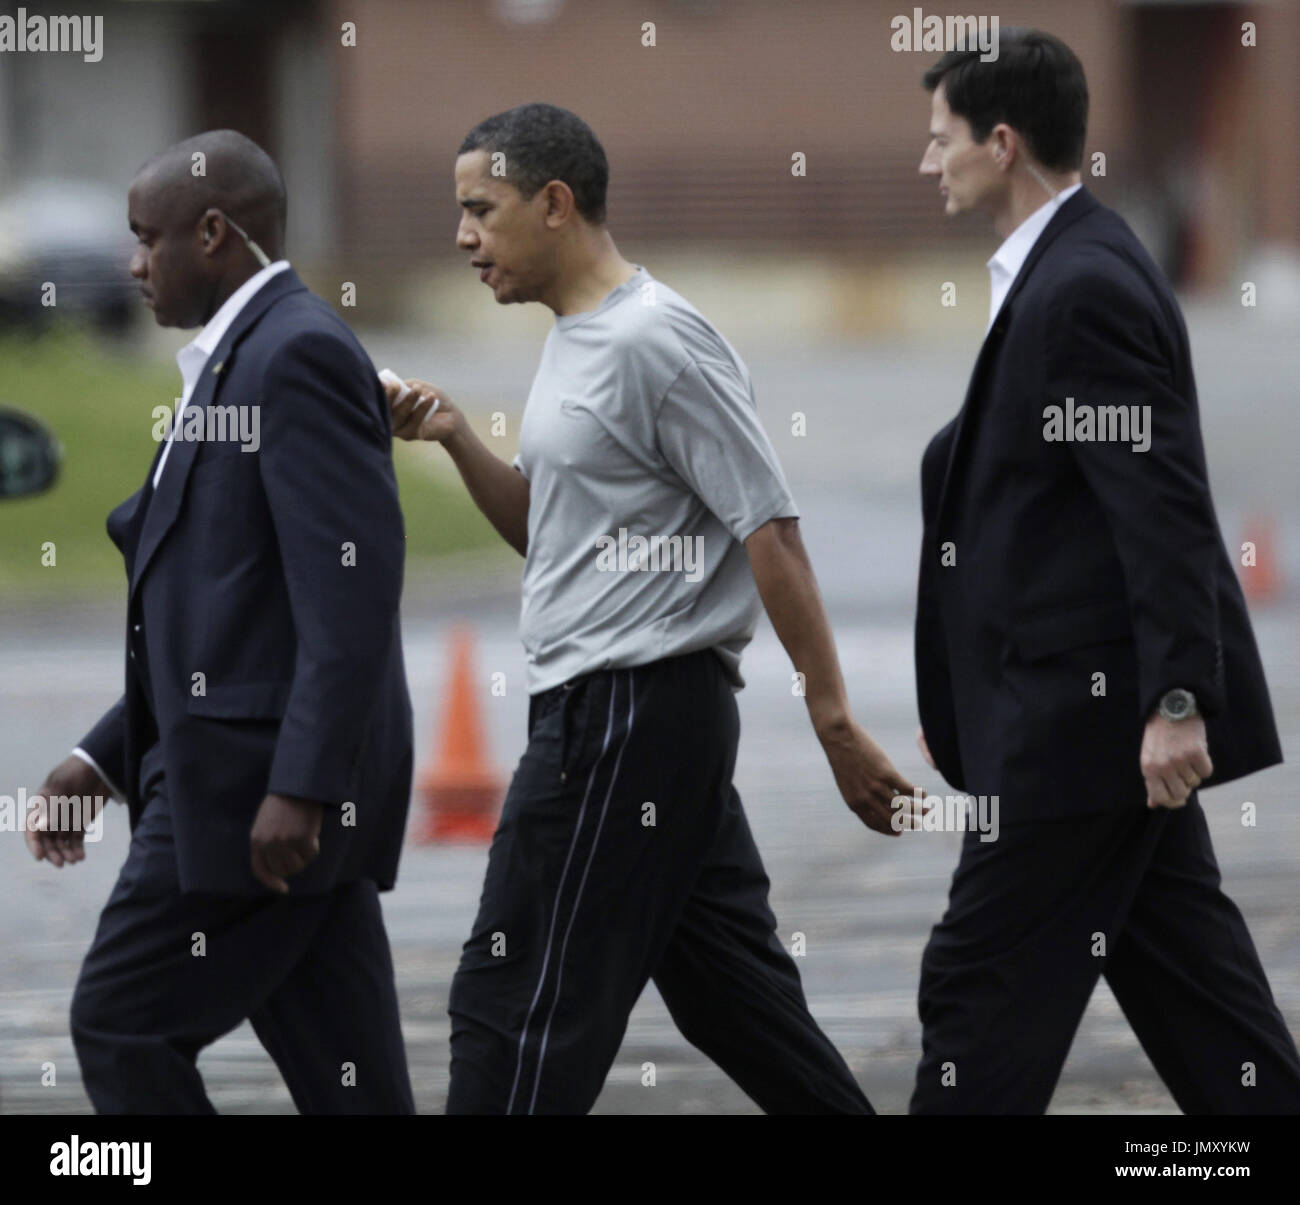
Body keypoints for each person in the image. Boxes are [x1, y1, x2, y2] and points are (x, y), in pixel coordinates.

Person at [387, 102, 923, 1114]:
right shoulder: (577, 338)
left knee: (512, 1002)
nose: (461, 236)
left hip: (624, 715)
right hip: (636, 722)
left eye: (479, 210)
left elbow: (773, 531)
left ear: (554, 204)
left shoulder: (656, 339)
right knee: (739, 1006)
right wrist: (458, 437)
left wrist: (834, 720)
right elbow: (552, 533)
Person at [911, 28, 1300, 1113]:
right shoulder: (1061, 266)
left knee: (975, 993)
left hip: (1077, 734)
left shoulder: (1079, 283)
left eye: (941, 139)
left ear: (1000, 141)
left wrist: (1177, 698)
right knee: (1199, 1002)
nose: (925, 160)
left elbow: (1161, 505)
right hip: (1085, 729)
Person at [26, 130, 416, 1114]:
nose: (131, 262)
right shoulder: (238, 355)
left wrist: (302, 782)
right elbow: (230, 615)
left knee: (121, 1021)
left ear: (212, 232)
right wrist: (105, 755)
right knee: (355, 1087)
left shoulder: (297, 354)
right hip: (267, 796)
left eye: (145, 238)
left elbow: (349, 592)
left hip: (250, 802)